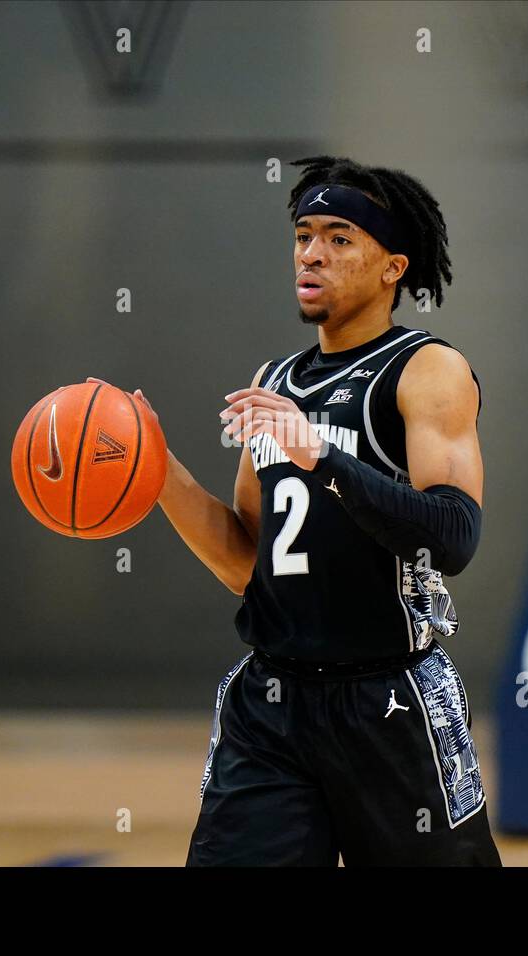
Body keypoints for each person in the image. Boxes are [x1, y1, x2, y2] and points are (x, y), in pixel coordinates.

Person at [107, 155, 500, 865]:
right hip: (273, 703)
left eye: (340, 237)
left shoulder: (425, 370)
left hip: (390, 702)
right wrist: (157, 469)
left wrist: (325, 458)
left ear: (392, 268)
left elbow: (453, 536)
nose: (312, 252)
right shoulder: (275, 382)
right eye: (304, 234)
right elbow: (243, 562)